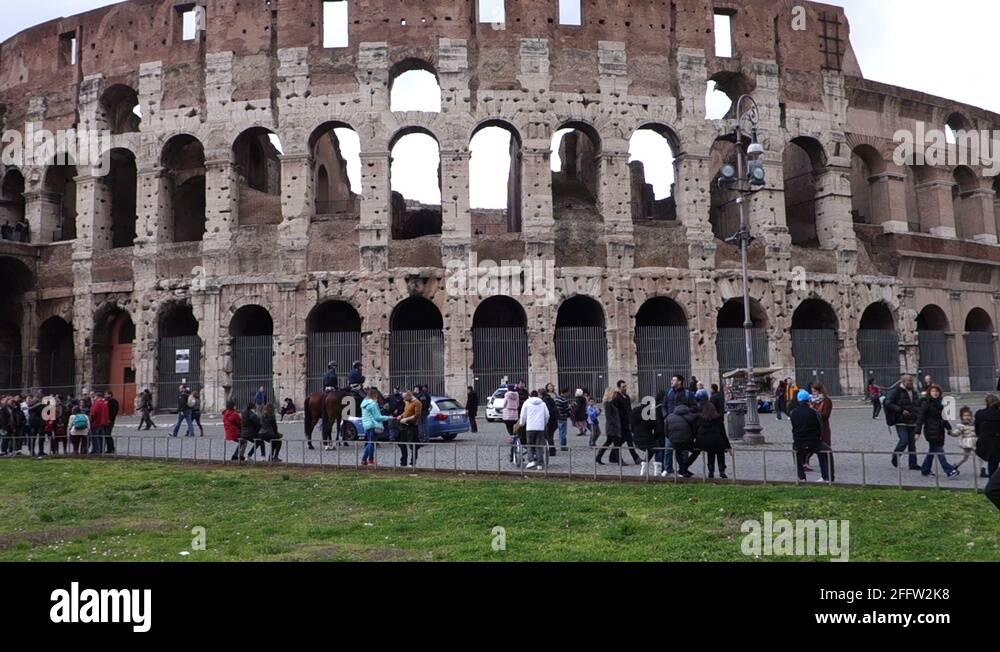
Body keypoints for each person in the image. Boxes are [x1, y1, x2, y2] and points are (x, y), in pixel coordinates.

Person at [916, 385, 959, 478]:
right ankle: (949, 470)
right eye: (933, 391)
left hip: (939, 430)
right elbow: (920, 418)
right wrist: (917, 432)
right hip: (931, 431)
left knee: (932, 451)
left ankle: (925, 470)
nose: (935, 393)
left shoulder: (941, 403)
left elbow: (943, 418)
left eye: (937, 391)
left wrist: (948, 428)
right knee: (939, 451)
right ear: (929, 393)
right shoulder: (926, 404)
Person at [790, 390, 834, 482]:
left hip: (799, 442)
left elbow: (794, 427)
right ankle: (827, 477)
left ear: (798, 400)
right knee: (827, 451)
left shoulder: (793, 413)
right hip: (814, 442)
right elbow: (820, 426)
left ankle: (801, 477)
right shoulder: (814, 412)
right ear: (808, 400)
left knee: (795, 453)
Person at [884, 374, 921, 471]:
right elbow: (888, 403)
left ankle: (913, 464)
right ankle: (896, 456)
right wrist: (900, 410)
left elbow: (917, 404)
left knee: (912, 444)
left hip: (912, 419)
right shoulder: (895, 391)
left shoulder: (914, 391)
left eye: (912, 381)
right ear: (903, 382)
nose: (911, 383)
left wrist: (917, 414)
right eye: (909, 381)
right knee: (904, 440)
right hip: (900, 420)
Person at [695, 394, 731, 479]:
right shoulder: (718, 419)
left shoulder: (701, 418)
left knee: (710, 455)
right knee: (720, 454)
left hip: (707, 442)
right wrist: (728, 446)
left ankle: (711, 471)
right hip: (718, 441)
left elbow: (697, 430)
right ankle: (722, 471)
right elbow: (723, 434)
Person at [666, 399, 700, 478]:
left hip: (674, 441)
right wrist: (692, 438)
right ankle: (684, 468)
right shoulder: (691, 416)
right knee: (697, 451)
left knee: (678, 453)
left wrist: (671, 438)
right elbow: (694, 431)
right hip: (687, 441)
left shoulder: (669, 416)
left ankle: (682, 469)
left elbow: (666, 432)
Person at [519, 390, 550, 470]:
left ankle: (531, 460)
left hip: (530, 427)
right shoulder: (543, 404)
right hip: (540, 427)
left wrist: (522, 423)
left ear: (530, 395)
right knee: (539, 445)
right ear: (538, 396)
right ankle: (540, 464)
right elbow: (547, 415)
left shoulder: (526, 403)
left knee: (530, 444)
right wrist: (544, 423)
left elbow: (523, 415)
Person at [361, 388, 392, 466]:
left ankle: (364, 460)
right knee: (372, 443)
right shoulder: (373, 404)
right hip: (373, 425)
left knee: (370, 443)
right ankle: (370, 460)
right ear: (374, 395)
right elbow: (377, 417)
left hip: (367, 424)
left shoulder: (364, 403)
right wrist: (389, 417)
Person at [613, 380, 641, 465]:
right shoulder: (616, 398)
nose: (625, 388)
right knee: (619, 442)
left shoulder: (627, 397)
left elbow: (629, 410)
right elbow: (615, 412)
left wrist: (632, 420)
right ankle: (618, 459)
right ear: (619, 388)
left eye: (625, 386)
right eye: (623, 387)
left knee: (629, 441)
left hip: (627, 423)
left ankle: (636, 458)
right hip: (620, 424)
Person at [629, 398, 657, 477]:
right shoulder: (650, 413)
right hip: (647, 439)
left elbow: (631, 425)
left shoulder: (635, 411)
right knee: (657, 448)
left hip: (636, 438)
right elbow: (653, 426)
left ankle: (644, 465)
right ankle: (655, 469)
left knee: (651, 449)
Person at [975, 394, 1000, 480]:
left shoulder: (979, 414)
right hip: (997, 441)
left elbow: (977, 430)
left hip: (986, 443)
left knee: (992, 466)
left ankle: (992, 486)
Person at [398, 391, 423, 468]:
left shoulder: (417, 402)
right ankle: (403, 462)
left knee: (413, 445)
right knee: (401, 443)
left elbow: (417, 415)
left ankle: (412, 462)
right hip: (404, 426)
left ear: (409, 396)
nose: (404, 400)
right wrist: (401, 416)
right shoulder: (407, 402)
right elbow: (406, 411)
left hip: (412, 426)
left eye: (405, 398)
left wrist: (406, 419)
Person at [596, 387, 620, 465]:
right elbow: (608, 416)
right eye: (614, 393)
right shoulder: (607, 403)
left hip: (614, 427)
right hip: (612, 427)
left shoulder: (612, 403)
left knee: (608, 443)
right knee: (616, 444)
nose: (616, 394)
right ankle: (619, 460)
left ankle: (598, 457)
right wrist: (615, 424)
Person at [948, 406, 977, 472]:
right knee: (966, 457)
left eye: (968, 415)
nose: (967, 417)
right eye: (965, 415)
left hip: (974, 442)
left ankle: (956, 465)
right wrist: (951, 433)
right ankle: (955, 465)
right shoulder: (961, 426)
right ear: (962, 417)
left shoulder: (974, 424)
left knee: (966, 457)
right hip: (967, 443)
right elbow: (956, 433)